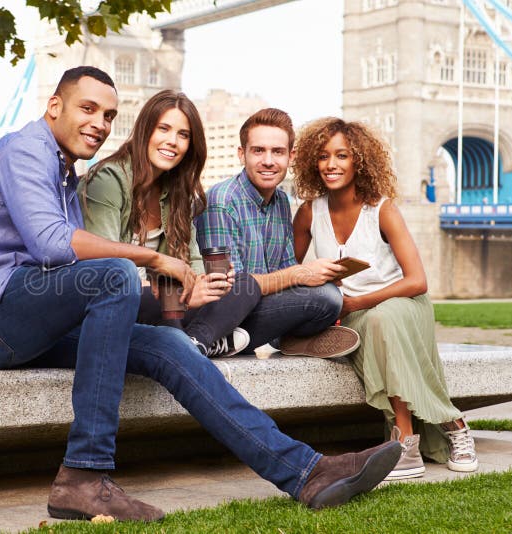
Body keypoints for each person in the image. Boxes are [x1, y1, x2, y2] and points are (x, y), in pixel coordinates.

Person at [0, 67, 401, 522]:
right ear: (55, 105)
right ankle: (84, 475)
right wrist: (154, 259)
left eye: (107, 116)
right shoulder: (26, 151)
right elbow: (52, 245)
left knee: (170, 345)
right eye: (87, 109)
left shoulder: (63, 171)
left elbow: (59, 273)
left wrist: (177, 300)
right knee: (116, 275)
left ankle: (305, 471)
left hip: (22, 320)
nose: (99, 124)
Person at [291, 117, 478, 480]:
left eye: (342, 155)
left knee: (383, 320)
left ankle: (407, 442)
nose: (331, 164)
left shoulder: (382, 209)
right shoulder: (308, 213)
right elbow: (290, 270)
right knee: (377, 324)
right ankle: (451, 425)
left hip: (403, 306)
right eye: (324, 156)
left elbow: (417, 281)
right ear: (313, 161)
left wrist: (357, 302)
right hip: (350, 315)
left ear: (358, 160)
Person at [80, 89, 259, 357]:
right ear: (145, 131)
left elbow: (194, 261)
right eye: (163, 128)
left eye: (183, 135)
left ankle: (195, 343)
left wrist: (207, 282)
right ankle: (202, 340)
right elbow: (105, 269)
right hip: (120, 300)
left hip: (169, 303)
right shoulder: (108, 180)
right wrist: (184, 296)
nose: (172, 141)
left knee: (247, 286)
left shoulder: (178, 193)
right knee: (173, 308)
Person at [195, 108, 360, 358]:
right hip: (225, 315)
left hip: (263, 308)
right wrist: (300, 274)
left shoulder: (281, 201)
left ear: (290, 157)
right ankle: (248, 340)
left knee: (329, 292)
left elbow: (286, 269)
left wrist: (314, 275)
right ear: (242, 154)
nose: (269, 161)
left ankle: (290, 340)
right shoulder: (222, 201)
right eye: (258, 151)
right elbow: (232, 290)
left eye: (278, 152)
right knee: (326, 298)